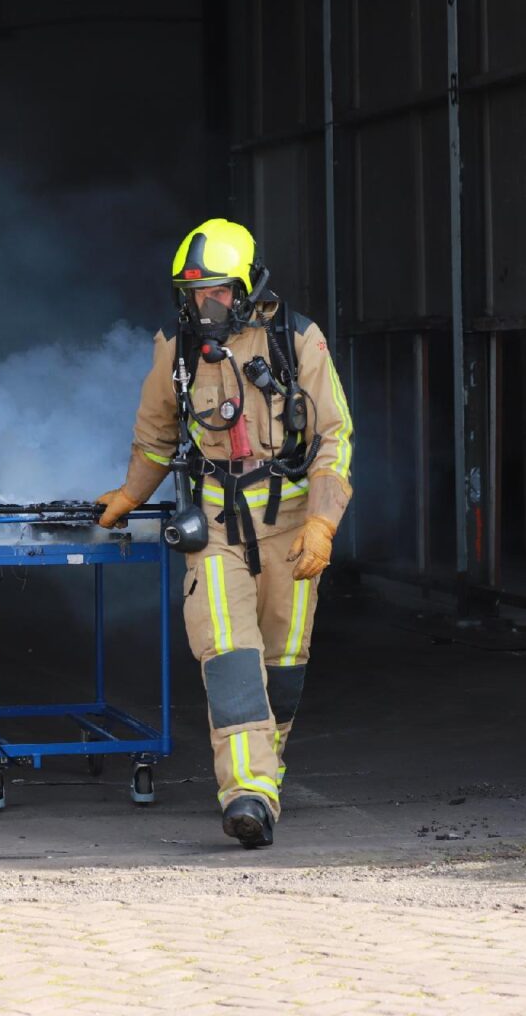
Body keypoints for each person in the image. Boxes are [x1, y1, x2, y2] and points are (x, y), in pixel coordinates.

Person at [95, 218, 354, 848]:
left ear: (243, 288)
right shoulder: (175, 347)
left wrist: (322, 523)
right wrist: (132, 493)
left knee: (283, 666)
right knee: (231, 658)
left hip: (291, 529)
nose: (200, 303)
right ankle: (247, 794)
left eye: (212, 291)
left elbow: (332, 441)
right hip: (213, 529)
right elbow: (157, 434)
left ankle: (266, 767)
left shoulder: (298, 340)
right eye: (192, 292)